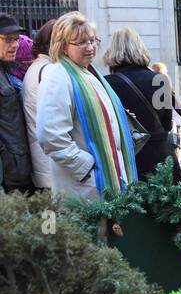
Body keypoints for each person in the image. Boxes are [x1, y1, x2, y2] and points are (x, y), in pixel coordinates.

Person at [35, 12, 138, 200]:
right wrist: (87, 167)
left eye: (92, 40)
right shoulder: (57, 76)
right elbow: (50, 135)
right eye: (81, 42)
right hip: (86, 185)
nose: (90, 47)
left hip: (103, 178)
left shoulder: (89, 72)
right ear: (64, 46)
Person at [103, 27, 181, 183]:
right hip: (161, 158)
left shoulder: (106, 84)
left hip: (129, 159)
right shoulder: (160, 79)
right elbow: (167, 124)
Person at [21, 20, 55, 190]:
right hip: (52, 166)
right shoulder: (48, 71)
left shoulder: (38, 67)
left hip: (44, 163)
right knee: (56, 215)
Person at [0, 12, 32, 193]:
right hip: (8, 178)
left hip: (17, 172)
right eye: (8, 39)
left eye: (16, 39)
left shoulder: (6, 72)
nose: (15, 45)